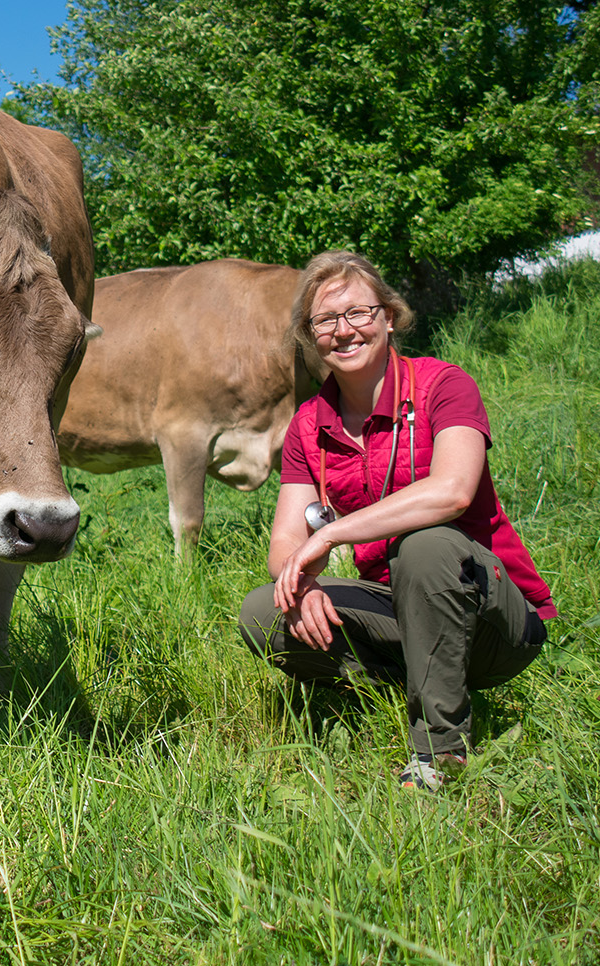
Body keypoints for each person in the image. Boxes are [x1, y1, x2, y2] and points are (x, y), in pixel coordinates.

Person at [237, 251, 556, 791]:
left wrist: (333, 533)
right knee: (264, 610)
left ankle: (441, 753)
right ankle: (415, 686)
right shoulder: (309, 425)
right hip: (398, 612)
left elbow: (453, 491)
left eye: (358, 313)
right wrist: (300, 583)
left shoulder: (443, 385)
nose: (344, 331)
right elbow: (286, 540)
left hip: (492, 619)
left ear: (388, 317)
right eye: (325, 320)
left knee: (425, 545)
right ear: (309, 336)